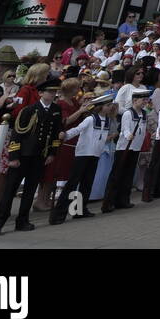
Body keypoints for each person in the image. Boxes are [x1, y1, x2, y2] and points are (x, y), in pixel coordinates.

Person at [0, 76, 65, 236]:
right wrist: (14, 157)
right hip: (23, 155)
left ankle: (22, 220)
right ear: (41, 93)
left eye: (55, 92)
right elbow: (18, 135)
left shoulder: (56, 110)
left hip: (40, 155)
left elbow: (56, 133)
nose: (53, 95)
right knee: (9, 190)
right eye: (50, 92)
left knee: (30, 190)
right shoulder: (29, 110)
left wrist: (52, 152)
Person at [51, 90, 114, 224]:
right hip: (83, 154)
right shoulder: (90, 119)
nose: (110, 107)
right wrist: (65, 134)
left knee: (87, 183)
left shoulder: (107, 120)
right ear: (100, 106)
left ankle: (79, 210)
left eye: (111, 105)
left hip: (95, 154)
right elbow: (78, 129)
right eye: (108, 105)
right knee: (72, 183)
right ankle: (59, 214)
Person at [103, 87, 150, 212]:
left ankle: (123, 200)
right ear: (134, 100)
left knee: (128, 175)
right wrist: (128, 134)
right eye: (142, 99)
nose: (145, 102)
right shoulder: (128, 113)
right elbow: (125, 129)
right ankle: (108, 202)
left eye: (146, 99)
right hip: (124, 148)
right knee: (117, 174)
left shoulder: (144, 113)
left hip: (135, 147)